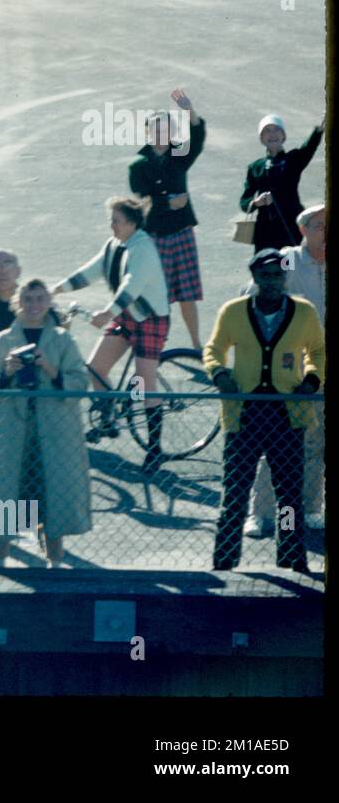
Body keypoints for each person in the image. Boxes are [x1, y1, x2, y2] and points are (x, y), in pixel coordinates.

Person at [206, 250, 323, 573]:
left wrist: (312, 380)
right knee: (235, 494)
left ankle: (290, 561)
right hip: (244, 416)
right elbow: (213, 349)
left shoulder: (303, 313)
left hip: (287, 417)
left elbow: (318, 350)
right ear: (254, 277)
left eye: (277, 275)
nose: (272, 281)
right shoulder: (233, 312)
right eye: (265, 275)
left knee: (289, 497)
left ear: (284, 278)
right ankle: (225, 564)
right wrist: (219, 373)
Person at [0, 280, 93, 567]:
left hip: (53, 430)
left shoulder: (63, 340)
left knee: (51, 496)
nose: (34, 305)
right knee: (4, 496)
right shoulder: (3, 339)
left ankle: (54, 564)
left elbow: (79, 383)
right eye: (28, 299)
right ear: (18, 302)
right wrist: (6, 372)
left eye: (40, 299)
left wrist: (49, 368)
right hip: (11, 429)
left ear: (48, 302)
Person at [52, 197, 170, 477]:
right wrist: (57, 289)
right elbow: (89, 272)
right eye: (111, 219)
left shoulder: (143, 248)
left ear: (131, 223)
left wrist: (108, 312)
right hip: (127, 315)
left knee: (145, 382)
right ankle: (108, 420)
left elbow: (133, 284)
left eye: (116, 220)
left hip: (150, 317)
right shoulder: (113, 245)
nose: (111, 224)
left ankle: (155, 450)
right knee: (96, 368)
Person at [128, 89, 206, 348]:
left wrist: (189, 111)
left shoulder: (179, 155)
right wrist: (168, 202)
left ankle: (196, 344)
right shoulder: (138, 165)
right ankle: (158, 344)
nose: (162, 134)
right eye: (157, 129)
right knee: (157, 294)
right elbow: (141, 201)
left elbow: (197, 139)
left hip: (181, 231)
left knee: (187, 295)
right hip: (155, 236)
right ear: (148, 132)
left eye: (166, 129)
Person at [240, 115, 324, 253]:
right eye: (267, 131)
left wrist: (319, 129)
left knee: (290, 267)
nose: (272, 134)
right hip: (265, 233)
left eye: (276, 130)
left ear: (283, 136)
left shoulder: (293, 160)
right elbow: (244, 202)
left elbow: (309, 147)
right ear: (261, 138)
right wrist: (255, 202)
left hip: (290, 228)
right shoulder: (255, 167)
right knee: (267, 268)